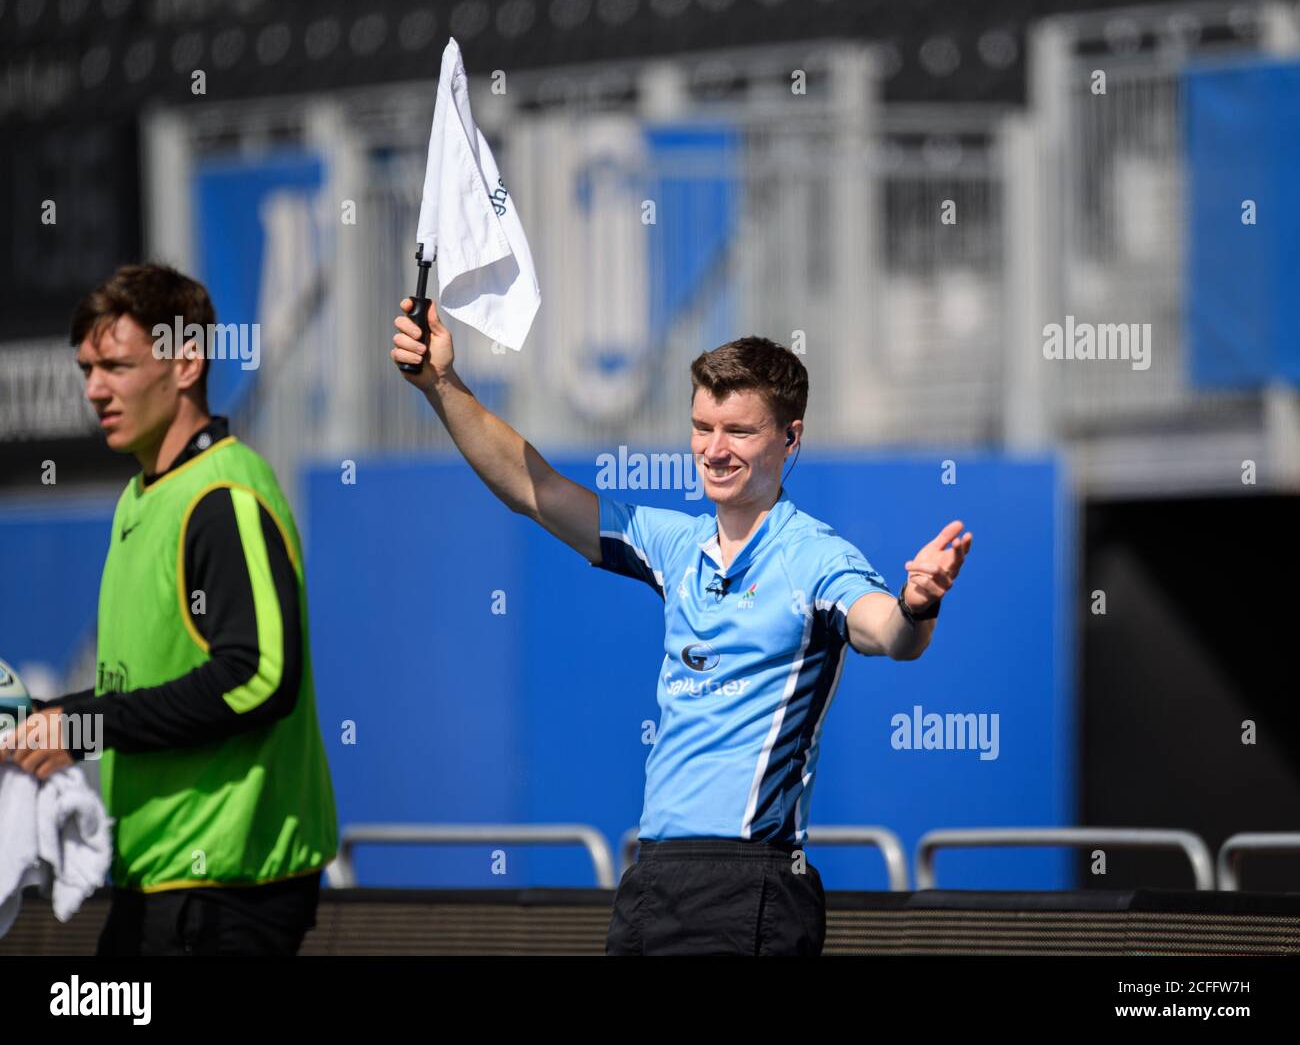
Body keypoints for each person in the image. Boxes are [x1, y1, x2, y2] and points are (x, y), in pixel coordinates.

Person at [389, 296, 972, 956]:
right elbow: (537, 491)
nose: (714, 451)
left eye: (739, 432)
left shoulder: (816, 555)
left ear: (791, 437)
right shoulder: (672, 543)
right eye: (702, 427)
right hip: (655, 877)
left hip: (752, 884)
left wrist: (918, 603)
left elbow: (889, 635)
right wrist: (440, 384)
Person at [0, 264, 338, 956]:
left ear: (186, 363)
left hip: (227, 891)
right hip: (160, 882)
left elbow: (260, 677)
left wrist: (86, 724)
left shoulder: (224, 495)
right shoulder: (141, 497)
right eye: (87, 367)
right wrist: (45, 721)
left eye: (116, 365)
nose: (94, 389)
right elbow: (145, 688)